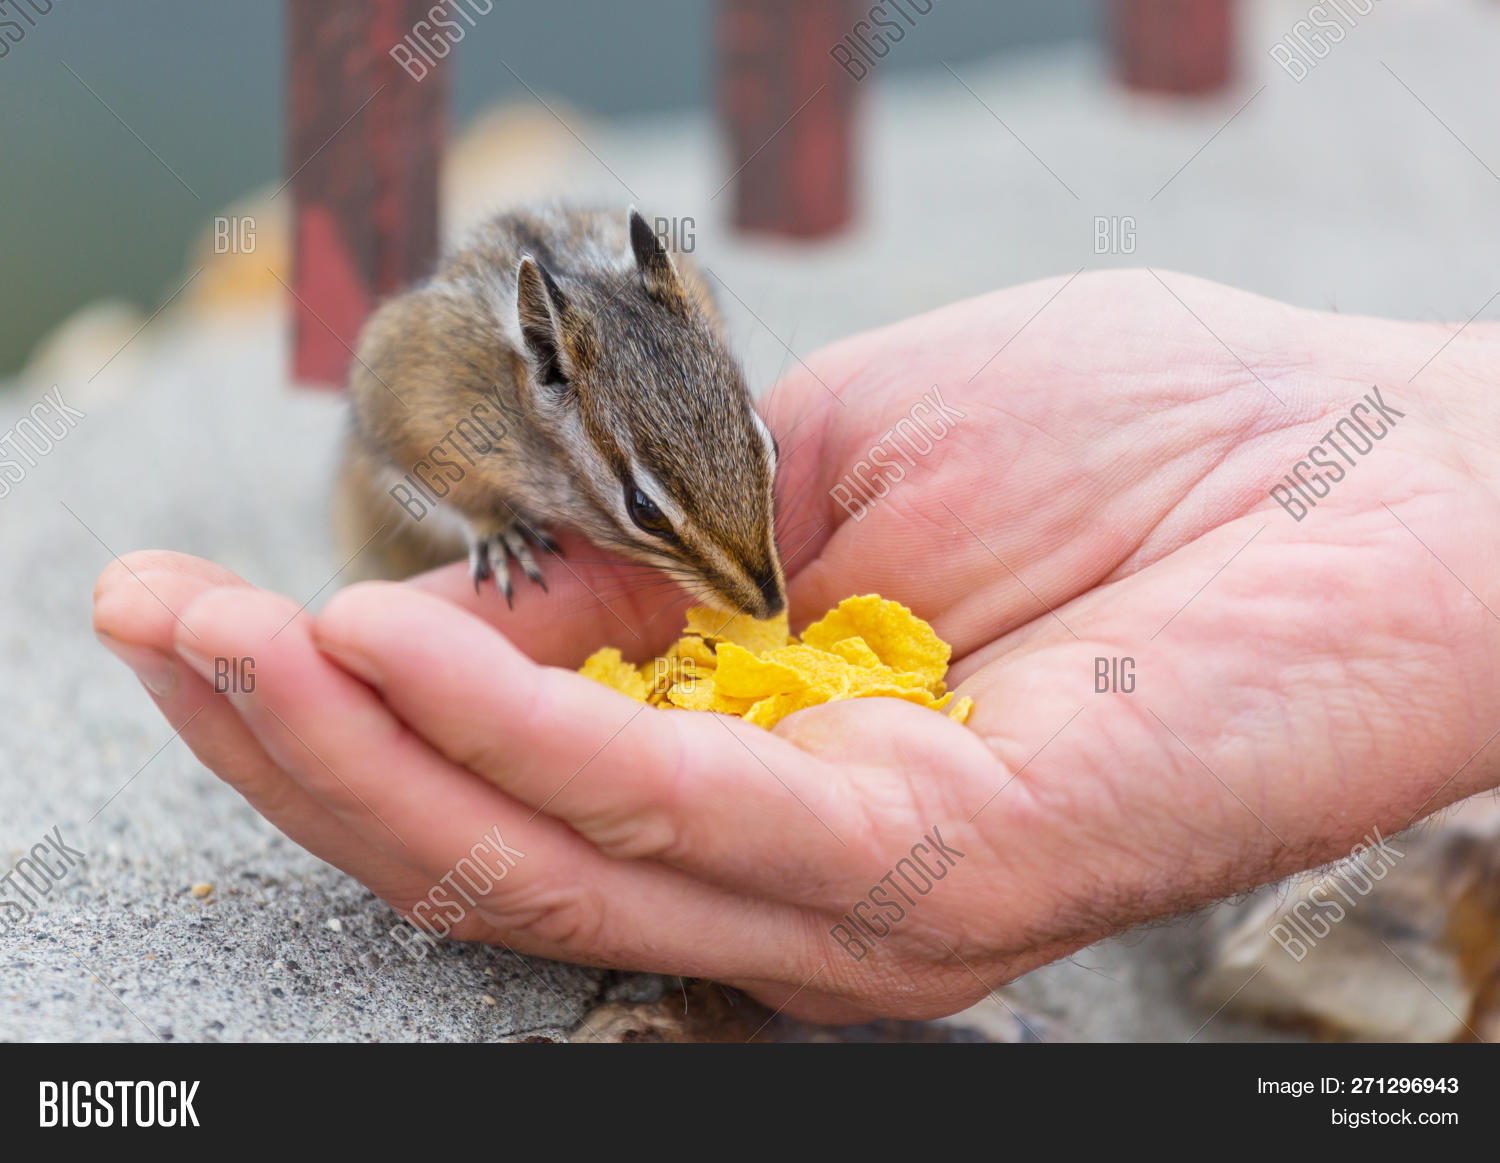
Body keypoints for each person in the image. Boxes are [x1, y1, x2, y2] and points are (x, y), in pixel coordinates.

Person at [92, 271, 1500, 1022]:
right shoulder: (469, 398)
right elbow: (399, 387)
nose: (756, 588)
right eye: (647, 511)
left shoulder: (676, 342)